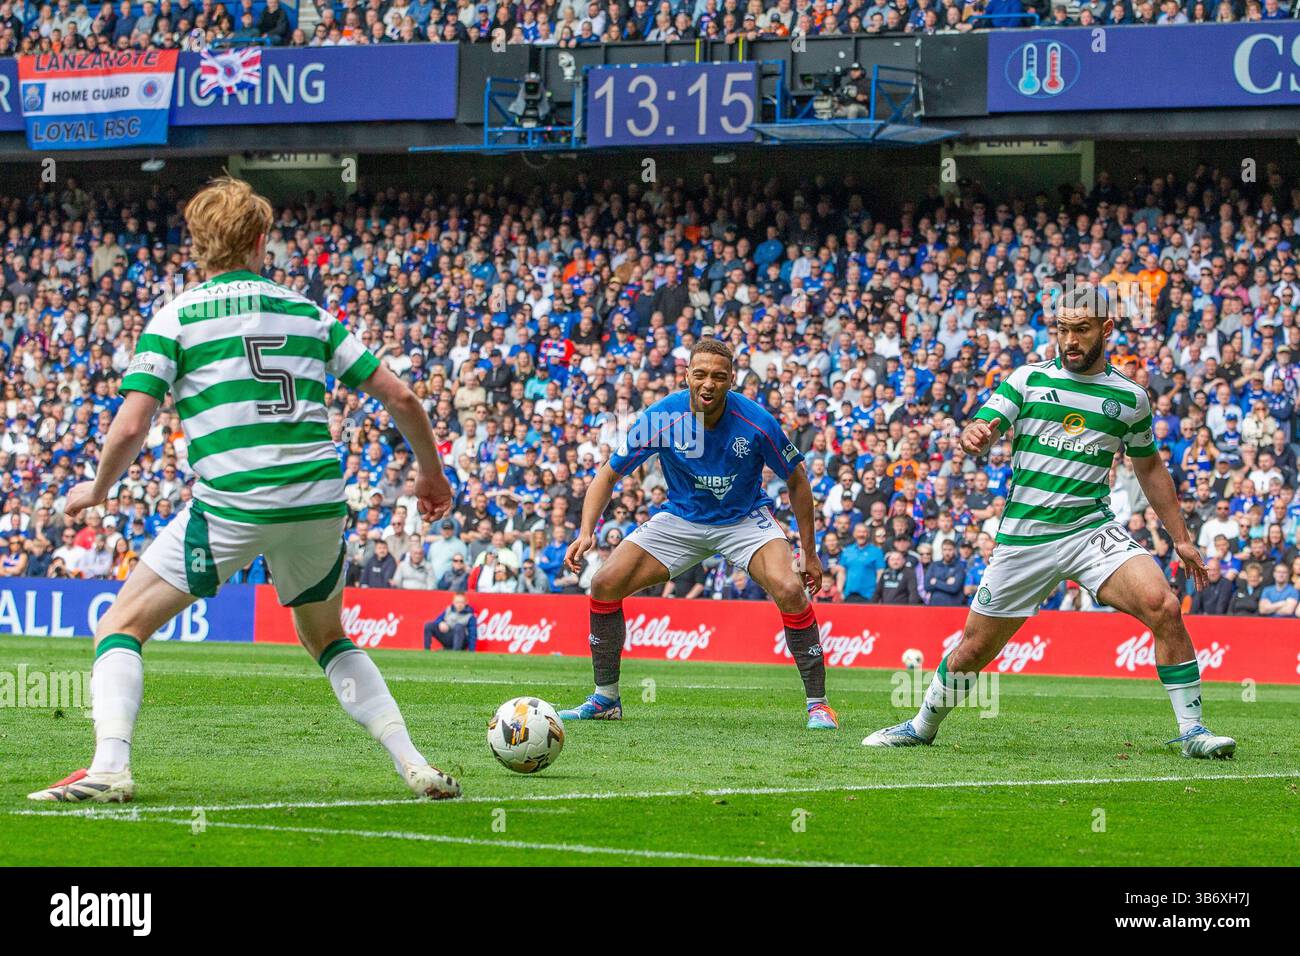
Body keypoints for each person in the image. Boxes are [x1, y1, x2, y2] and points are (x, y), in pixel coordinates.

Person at [28, 177, 461, 804]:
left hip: (233, 499)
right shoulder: (309, 313)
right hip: (316, 500)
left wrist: (97, 488)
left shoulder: (175, 317)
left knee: (119, 625)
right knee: (326, 636)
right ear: (262, 241)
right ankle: (413, 762)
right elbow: (403, 397)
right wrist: (430, 472)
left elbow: (131, 424)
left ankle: (109, 768)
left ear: (198, 245)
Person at [864, 284, 1236, 758]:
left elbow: (1147, 466)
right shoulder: (1028, 380)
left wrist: (1180, 538)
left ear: (1106, 329)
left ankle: (1193, 732)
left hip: (1090, 530)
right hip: (1025, 538)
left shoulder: (1130, 397)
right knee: (975, 649)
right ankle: (921, 725)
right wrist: (977, 433)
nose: (1070, 341)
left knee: (1163, 604)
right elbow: (986, 423)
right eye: (1062, 330)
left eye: (1081, 330)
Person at [556, 338, 838, 730]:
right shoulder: (661, 417)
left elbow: (798, 480)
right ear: (687, 374)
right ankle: (606, 699)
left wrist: (810, 552)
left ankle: (818, 705)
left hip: (744, 519)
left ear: (732, 380)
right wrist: (587, 532)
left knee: (790, 589)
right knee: (604, 583)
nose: (708, 384)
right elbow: (608, 473)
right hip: (681, 519)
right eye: (701, 374)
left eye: (719, 377)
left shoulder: (757, 421)